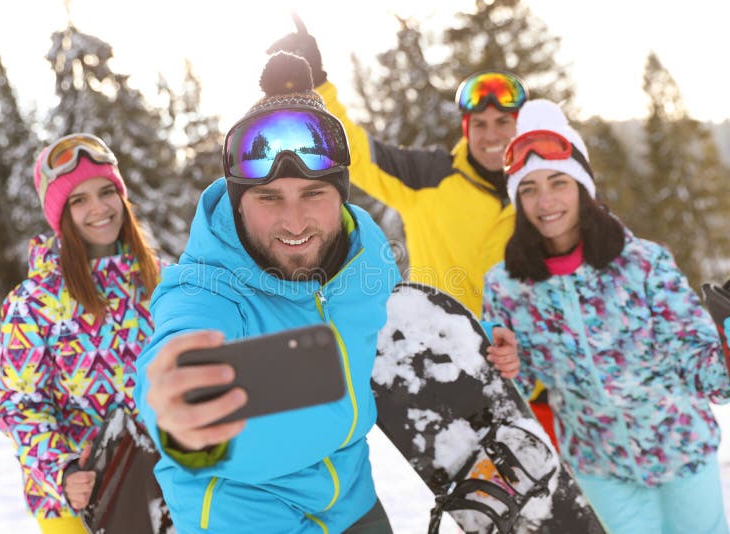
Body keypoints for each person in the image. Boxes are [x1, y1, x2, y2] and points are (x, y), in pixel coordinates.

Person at [134, 52, 520, 534]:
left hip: (349, 492)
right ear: (238, 203)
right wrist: (173, 399)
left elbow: (396, 327)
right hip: (244, 508)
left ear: (341, 194)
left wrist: (477, 341)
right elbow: (176, 343)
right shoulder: (207, 286)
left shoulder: (364, 251)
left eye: (313, 194)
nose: (294, 223)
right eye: (269, 198)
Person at [266, 20, 559, 448]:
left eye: (503, 121)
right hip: (452, 369)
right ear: (466, 130)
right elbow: (359, 154)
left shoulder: (543, 191)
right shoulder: (429, 176)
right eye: (480, 124)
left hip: (533, 380)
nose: (492, 135)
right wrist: (318, 85)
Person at [482, 99, 730, 534]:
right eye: (529, 188)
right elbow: (513, 390)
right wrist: (507, 364)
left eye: (558, 182)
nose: (545, 201)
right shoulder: (506, 285)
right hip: (600, 468)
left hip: (682, 452)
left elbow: (704, 371)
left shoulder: (645, 263)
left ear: (582, 188)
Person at [0, 133, 163, 534]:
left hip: (162, 484)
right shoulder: (33, 302)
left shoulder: (160, 282)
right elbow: (19, 406)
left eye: (107, 192)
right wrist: (63, 470)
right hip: (79, 501)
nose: (99, 208)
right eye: (79, 200)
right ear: (61, 215)